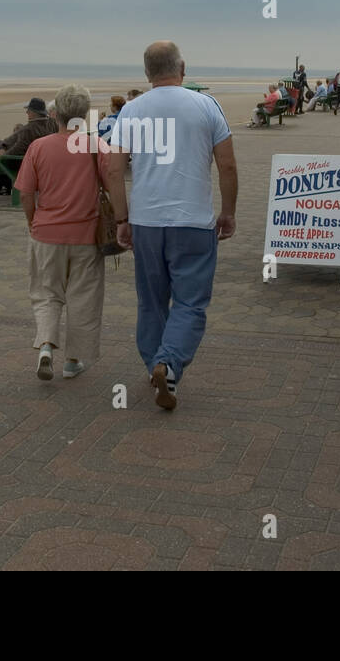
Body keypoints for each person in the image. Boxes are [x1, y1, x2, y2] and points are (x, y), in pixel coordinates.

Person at [106, 41, 237, 411]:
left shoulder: (130, 111)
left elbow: (114, 170)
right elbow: (227, 165)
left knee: (151, 301)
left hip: (147, 221)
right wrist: (228, 212)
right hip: (193, 221)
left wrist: (121, 218)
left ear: (147, 73)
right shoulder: (206, 106)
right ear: (182, 68)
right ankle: (170, 363)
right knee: (191, 302)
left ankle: (155, 365)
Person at [15, 84, 109, 382]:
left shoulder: (39, 147)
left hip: (46, 233)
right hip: (86, 235)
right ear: (84, 114)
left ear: (56, 113)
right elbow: (113, 187)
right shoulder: (97, 147)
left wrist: (33, 222)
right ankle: (72, 361)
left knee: (46, 294)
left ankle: (45, 347)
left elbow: (27, 194)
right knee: (83, 298)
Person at [0, 98, 57, 201]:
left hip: (16, 159)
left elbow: (20, 148)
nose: (27, 113)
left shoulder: (29, 129)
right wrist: (5, 146)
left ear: (34, 113)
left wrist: (4, 155)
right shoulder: (51, 125)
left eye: (28, 111)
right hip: (17, 150)